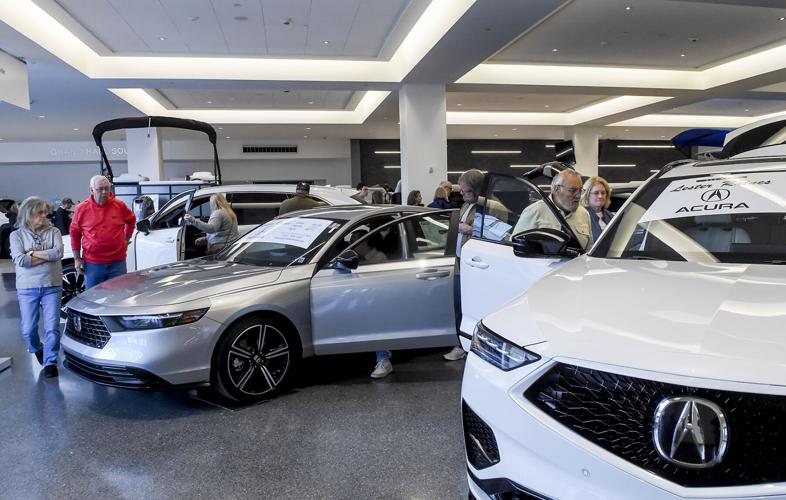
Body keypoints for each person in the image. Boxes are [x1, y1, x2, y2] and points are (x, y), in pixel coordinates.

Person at [10, 196, 64, 378]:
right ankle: (36, 348)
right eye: (39, 213)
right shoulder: (16, 235)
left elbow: (58, 253)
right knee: (28, 329)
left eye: (44, 212)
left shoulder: (53, 231)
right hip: (27, 288)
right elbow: (21, 260)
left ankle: (50, 362)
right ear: (28, 214)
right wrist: (45, 255)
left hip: (52, 285)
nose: (44, 216)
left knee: (52, 328)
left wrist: (31, 253)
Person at [443, 169, 486, 362]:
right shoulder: (467, 205)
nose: (461, 194)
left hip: (476, 265)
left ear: (476, 190)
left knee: (472, 308)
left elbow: (498, 232)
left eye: (465, 191)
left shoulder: (490, 207)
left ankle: (467, 346)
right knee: (459, 307)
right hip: (460, 261)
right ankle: (462, 343)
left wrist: (470, 229)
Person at [70, 175, 136, 289]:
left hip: (117, 263)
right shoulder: (81, 209)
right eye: (100, 189)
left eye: (107, 188)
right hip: (93, 264)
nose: (104, 192)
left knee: (118, 298)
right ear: (91, 190)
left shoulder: (119, 205)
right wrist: (77, 259)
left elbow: (131, 220)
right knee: (93, 300)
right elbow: (75, 233)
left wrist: (126, 238)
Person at [348, 230, 392, 378]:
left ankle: (383, 358)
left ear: (364, 243)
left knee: (375, 316)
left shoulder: (379, 257)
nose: (352, 247)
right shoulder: (353, 258)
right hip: (356, 297)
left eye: (355, 242)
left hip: (376, 299)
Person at [512, 168, 592, 250]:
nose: (578, 195)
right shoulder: (534, 211)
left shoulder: (584, 214)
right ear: (557, 189)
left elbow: (588, 250)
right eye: (573, 190)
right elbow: (513, 247)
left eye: (580, 190)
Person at [581, 176, 614, 241]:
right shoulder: (581, 216)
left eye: (603, 193)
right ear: (587, 195)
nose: (600, 196)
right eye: (596, 193)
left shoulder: (611, 216)